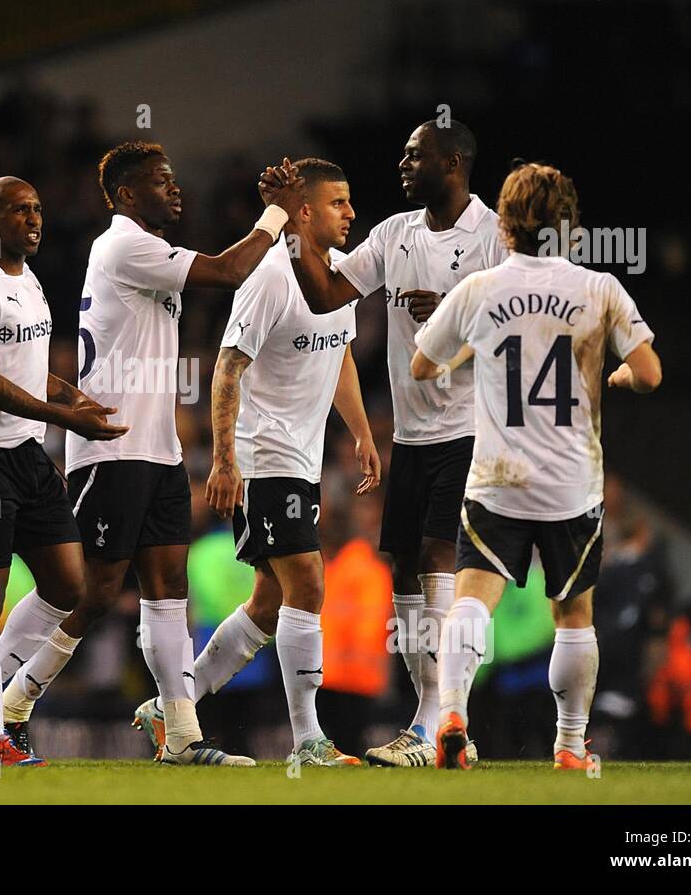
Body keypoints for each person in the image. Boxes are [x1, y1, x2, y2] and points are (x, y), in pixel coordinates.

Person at [0, 141, 303, 766]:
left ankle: (184, 736)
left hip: (156, 448)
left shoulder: (145, 249)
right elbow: (226, 270)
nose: (177, 191)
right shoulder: (123, 245)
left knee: (168, 589)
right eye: (163, 183)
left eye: (175, 180)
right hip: (110, 446)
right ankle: (4, 698)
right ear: (130, 195)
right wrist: (274, 213)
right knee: (95, 589)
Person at [406, 160, 662, 769]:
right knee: (574, 613)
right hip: (572, 485)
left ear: (505, 228)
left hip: (497, 480)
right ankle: (570, 747)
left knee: (471, 599)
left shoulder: (479, 289)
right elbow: (650, 373)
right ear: (570, 228)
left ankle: (452, 718)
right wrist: (620, 374)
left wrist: (478, 348)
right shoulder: (599, 289)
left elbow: (421, 367)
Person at [137, 159, 382, 766]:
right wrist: (224, 459)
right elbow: (228, 365)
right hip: (265, 459)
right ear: (303, 212)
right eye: (337, 203)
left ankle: (172, 707)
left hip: (303, 461)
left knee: (270, 605)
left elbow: (341, 358)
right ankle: (309, 742)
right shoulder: (271, 277)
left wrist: (362, 433)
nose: (350, 213)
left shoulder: (336, 278)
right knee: (309, 583)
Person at [284, 121, 505, 766]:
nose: (402, 163)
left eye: (416, 155)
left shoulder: (492, 237)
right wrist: (292, 224)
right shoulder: (393, 234)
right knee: (406, 577)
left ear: (454, 161)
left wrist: (456, 310)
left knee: (440, 561)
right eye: (404, 153)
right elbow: (326, 293)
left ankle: (431, 723)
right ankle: (433, 721)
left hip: (469, 429)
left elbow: (519, 330)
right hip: (411, 434)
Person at [0, 177, 125, 766]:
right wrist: (65, 420)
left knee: (69, 586)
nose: (35, 219)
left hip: (28, 455)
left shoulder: (30, 281)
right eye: (21, 211)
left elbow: (29, 369)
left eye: (39, 210)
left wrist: (73, 400)